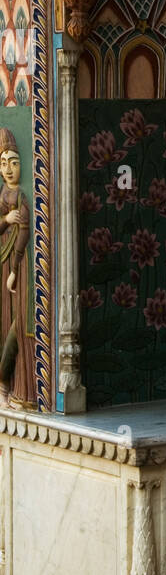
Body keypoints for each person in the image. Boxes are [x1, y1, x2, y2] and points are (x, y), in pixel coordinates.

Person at [0, 129, 35, 409]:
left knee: (20, 323)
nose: (9, 168)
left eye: (14, 162)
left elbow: (24, 232)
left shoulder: (22, 195)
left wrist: (14, 268)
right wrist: (5, 219)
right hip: (5, 263)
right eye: (3, 163)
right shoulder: (4, 194)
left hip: (19, 269)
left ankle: (8, 382)